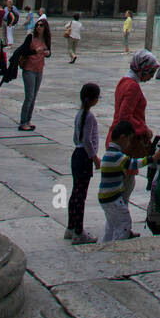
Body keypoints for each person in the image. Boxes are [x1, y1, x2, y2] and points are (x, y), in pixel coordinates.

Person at [99, 120, 160, 242]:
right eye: (129, 140)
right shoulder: (117, 156)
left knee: (112, 223)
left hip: (106, 197)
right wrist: (153, 158)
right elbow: (134, 163)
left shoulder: (109, 153)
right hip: (112, 197)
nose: (129, 144)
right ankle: (119, 245)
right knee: (124, 221)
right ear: (122, 138)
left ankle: (106, 243)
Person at [65, 82, 101, 244]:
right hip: (84, 157)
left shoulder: (79, 114)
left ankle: (71, 227)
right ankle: (79, 232)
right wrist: (95, 158)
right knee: (81, 195)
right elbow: (87, 140)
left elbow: (76, 138)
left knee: (75, 193)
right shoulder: (89, 116)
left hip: (76, 154)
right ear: (94, 99)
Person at [109, 50, 158, 149]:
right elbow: (124, 117)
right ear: (142, 70)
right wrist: (144, 129)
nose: (152, 76)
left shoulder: (124, 81)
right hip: (126, 142)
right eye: (151, 72)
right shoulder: (133, 86)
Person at [17, 16, 51, 130]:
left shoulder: (46, 40)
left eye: (41, 25)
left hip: (39, 69)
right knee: (29, 96)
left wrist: (47, 53)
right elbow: (23, 51)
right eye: (37, 25)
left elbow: (49, 52)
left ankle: (28, 120)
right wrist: (35, 51)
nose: (38, 27)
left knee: (34, 96)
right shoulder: (30, 38)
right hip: (29, 69)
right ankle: (23, 122)